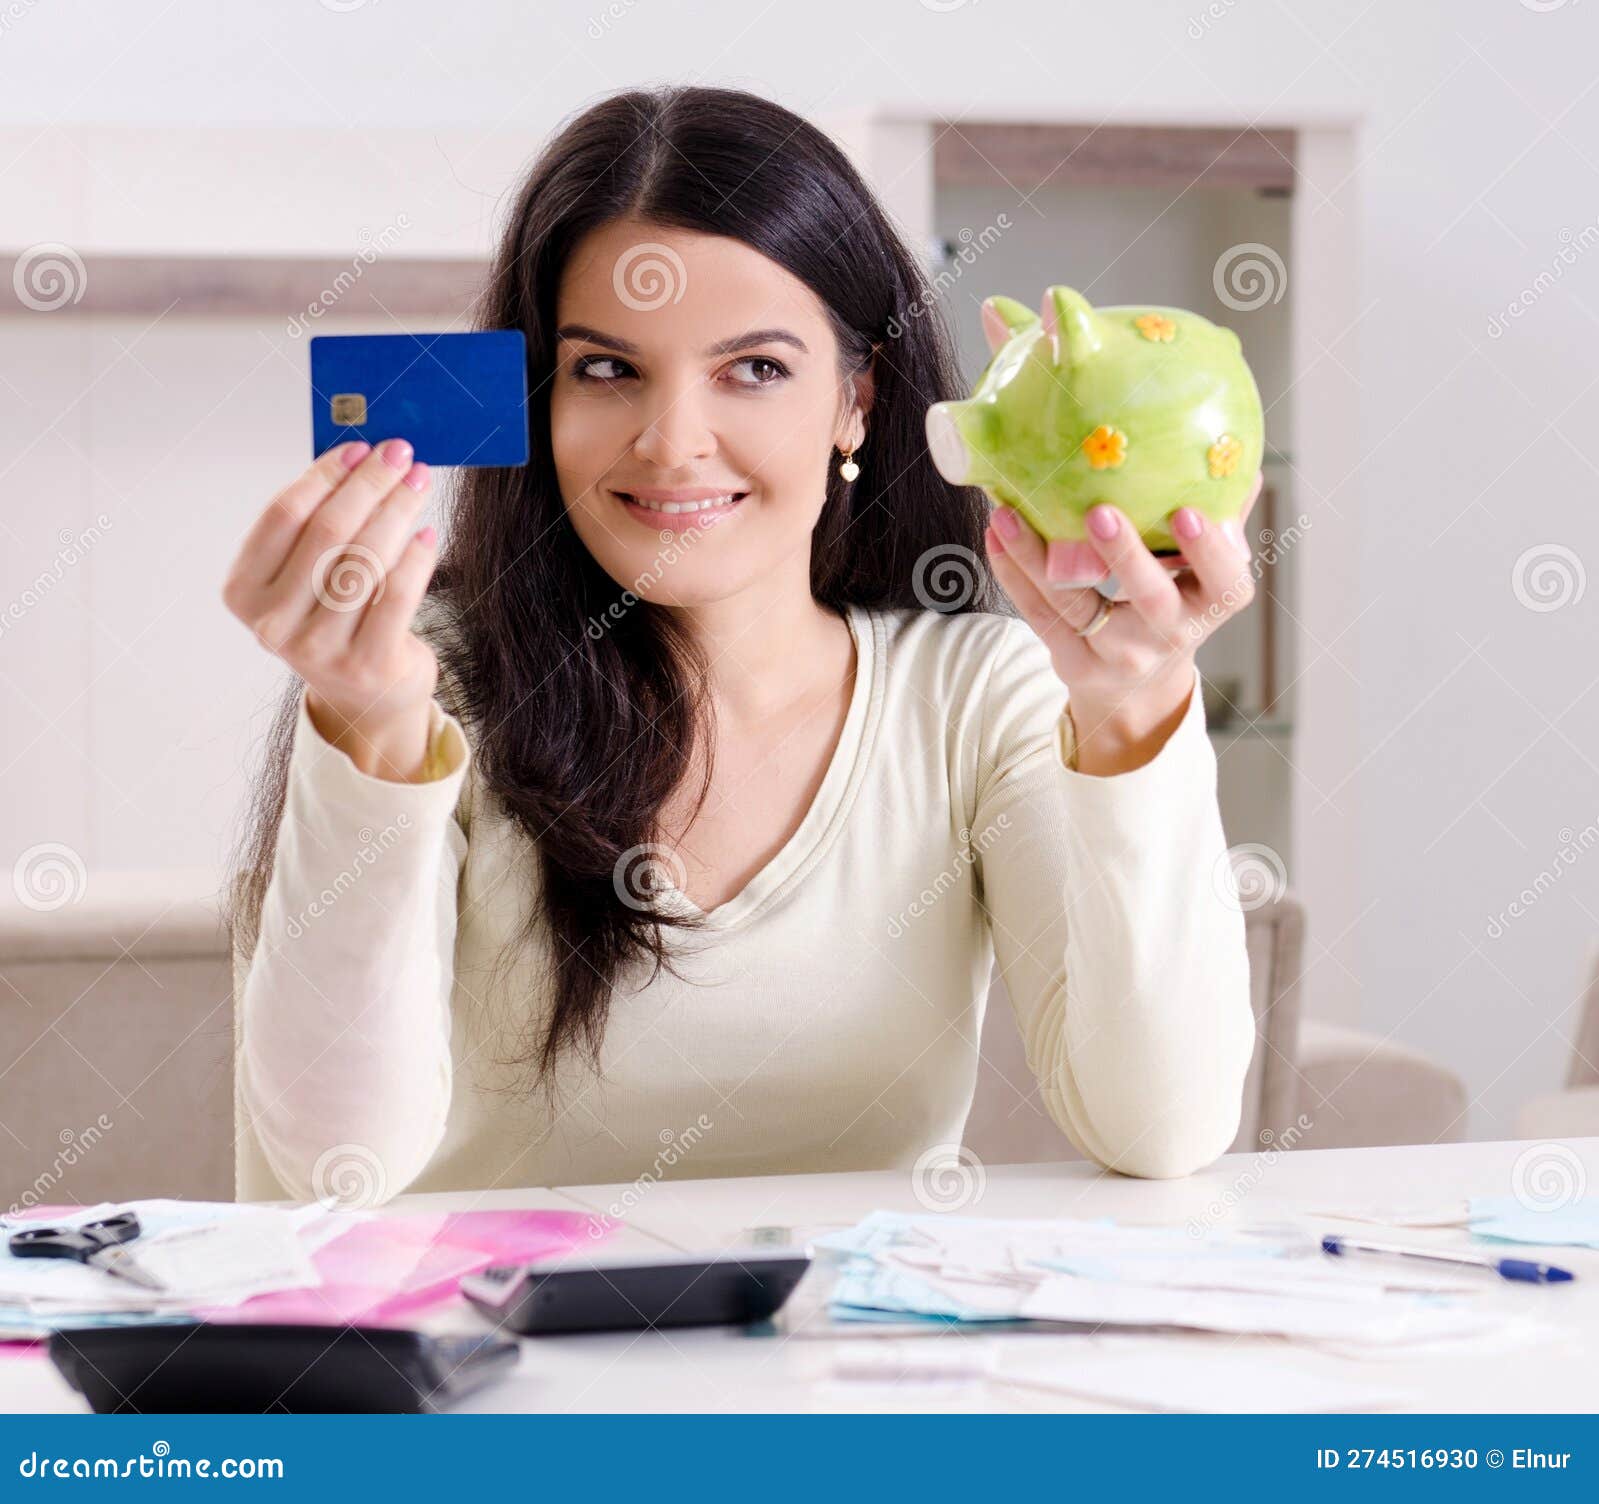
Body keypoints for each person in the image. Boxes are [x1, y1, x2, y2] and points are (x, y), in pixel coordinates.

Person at [222, 84, 1260, 1208]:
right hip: (477, 1329)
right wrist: (369, 730)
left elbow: (1161, 1128)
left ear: (855, 401)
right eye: (606, 369)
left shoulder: (972, 697)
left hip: (845, 1327)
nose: (672, 443)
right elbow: (335, 1163)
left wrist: (1134, 705)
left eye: (755, 369)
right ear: (538, 398)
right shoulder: (430, 687)